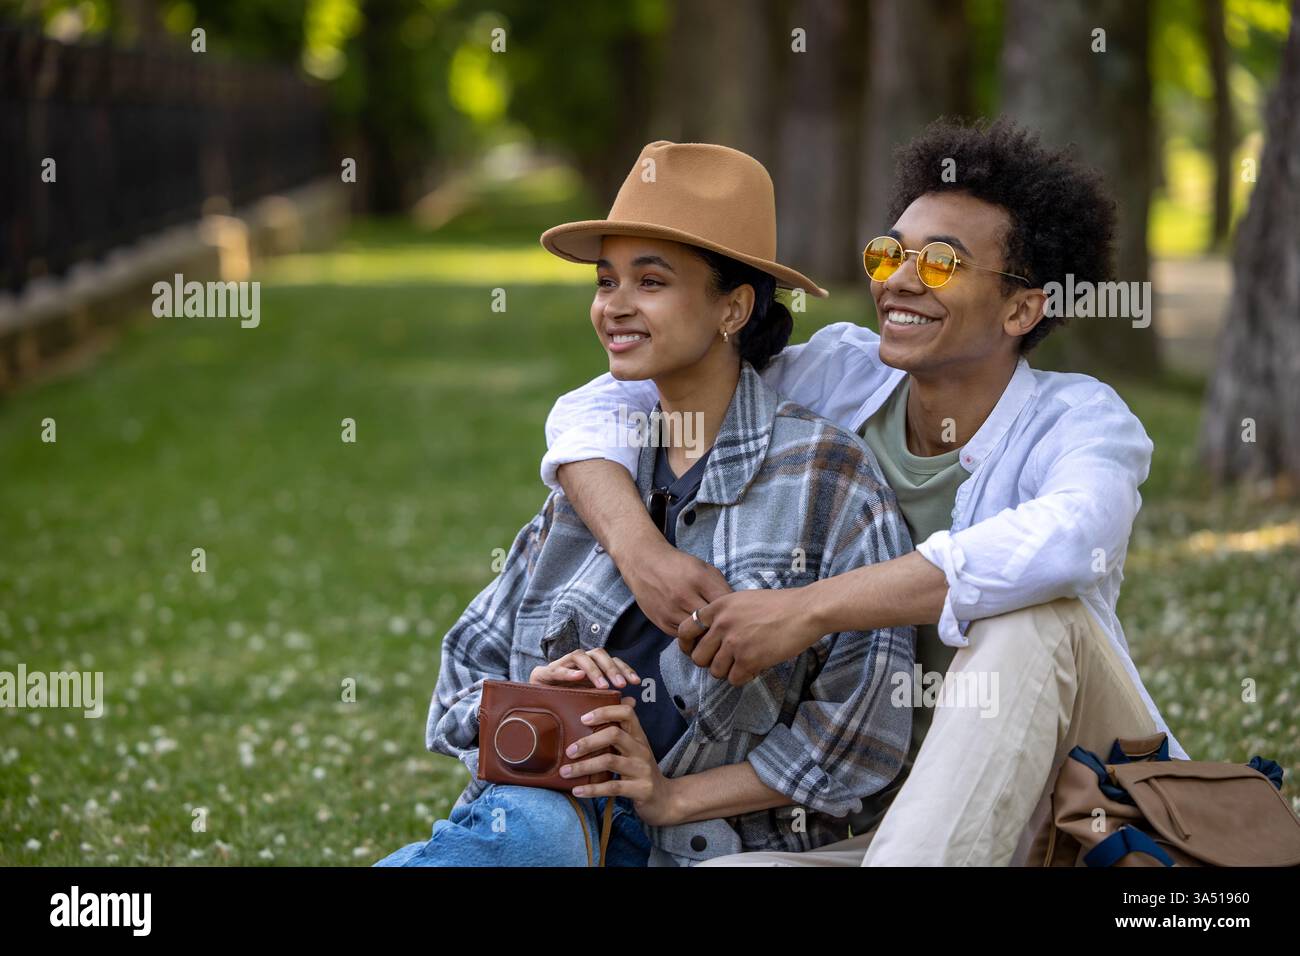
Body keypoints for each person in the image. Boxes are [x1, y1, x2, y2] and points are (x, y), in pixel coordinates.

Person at [539, 118, 1186, 866]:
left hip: (1070, 805)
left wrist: (806, 610)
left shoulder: (1081, 421)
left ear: (1022, 309)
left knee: (1032, 619)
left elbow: (1071, 541)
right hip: (890, 822)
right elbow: (610, 404)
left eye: (941, 263)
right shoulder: (841, 377)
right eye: (890, 253)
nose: (898, 281)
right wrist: (640, 551)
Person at [374, 141, 914, 867]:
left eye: (650, 281)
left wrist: (667, 795)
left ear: (733, 307)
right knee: (529, 832)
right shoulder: (595, 475)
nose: (613, 307)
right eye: (605, 281)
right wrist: (534, 696)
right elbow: (460, 681)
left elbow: (865, 732)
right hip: (554, 818)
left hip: (708, 844)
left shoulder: (826, 478)